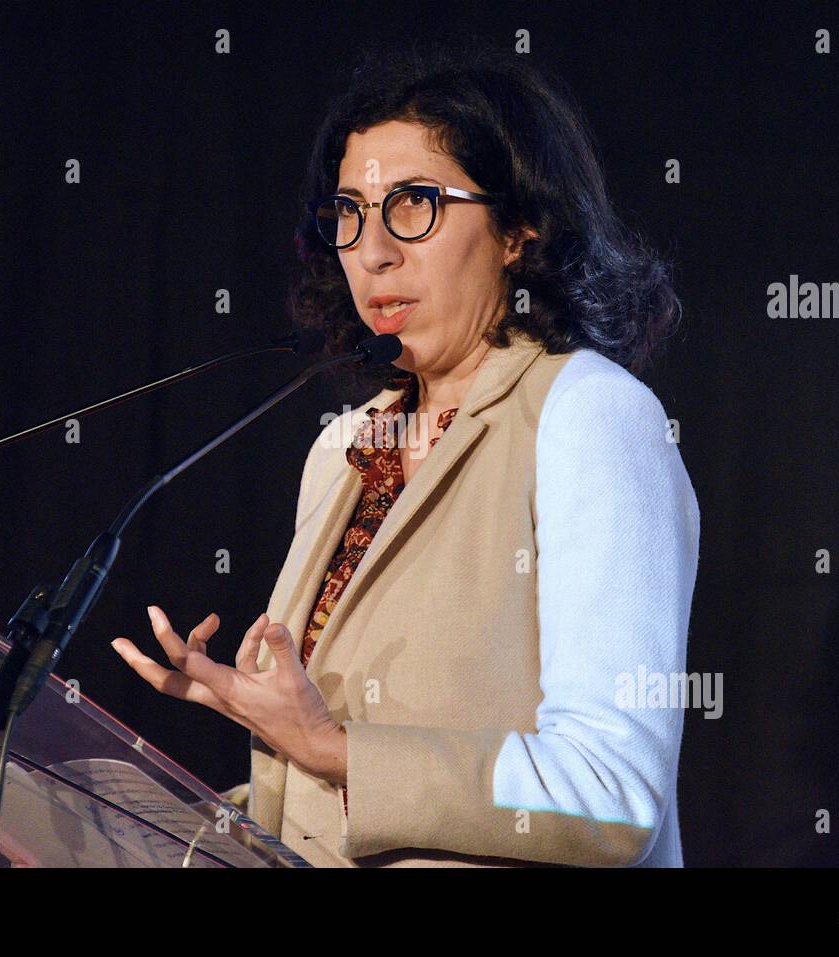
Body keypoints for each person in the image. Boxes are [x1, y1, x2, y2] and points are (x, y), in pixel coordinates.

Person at [111, 40, 700, 867]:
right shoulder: (347, 447)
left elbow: (612, 791)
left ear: (518, 229)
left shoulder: (589, 413)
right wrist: (109, 826)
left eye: (415, 204)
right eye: (349, 212)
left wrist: (336, 747)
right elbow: (322, 810)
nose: (374, 250)